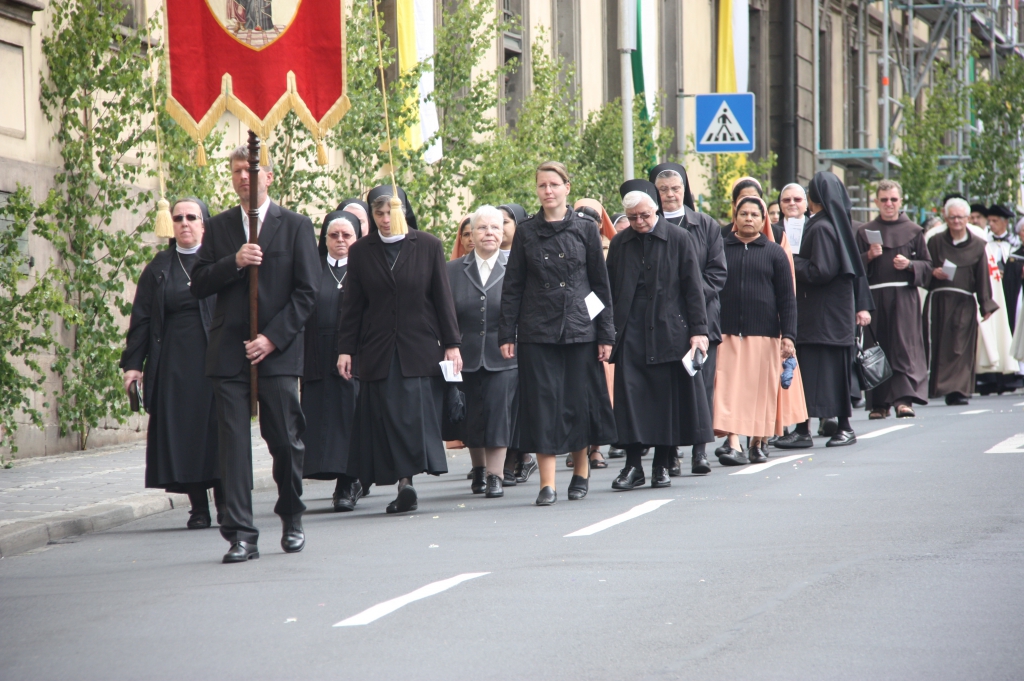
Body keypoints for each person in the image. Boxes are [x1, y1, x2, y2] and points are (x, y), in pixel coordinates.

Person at [191, 146, 320, 564]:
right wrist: (234, 261)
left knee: (285, 439)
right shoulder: (220, 226)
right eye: (237, 170)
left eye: (251, 169)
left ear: (269, 176)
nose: (244, 176)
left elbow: (307, 293)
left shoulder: (296, 226)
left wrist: (272, 338)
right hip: (228, 352)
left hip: (277, 354)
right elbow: (199, 283)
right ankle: (241, 533)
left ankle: (292, 514)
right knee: (232, 446)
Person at [337, 185, 462, 514]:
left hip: (418, 347)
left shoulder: (429, 246)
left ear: (404, 211)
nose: (384, 219)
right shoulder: (361, 251)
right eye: (377, 213)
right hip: (378, 349)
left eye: (390, 211)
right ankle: (401, 482)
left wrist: (452, 345)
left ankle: (407, 483)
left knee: (411, 418)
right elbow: (353, 306)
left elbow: (443, 299)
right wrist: (345, 349)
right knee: (386, 418)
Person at [499, 161, 617, 506]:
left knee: (577, 403)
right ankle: (546, 484)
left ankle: (581, 471)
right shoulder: (526, 230)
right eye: (541, 185)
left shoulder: (584, 228)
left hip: (580, 329)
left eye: (554, 184)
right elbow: (513, 286)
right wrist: (508, 332)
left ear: (567, 187)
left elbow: (600, 285)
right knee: (542, 405)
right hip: (537, 329)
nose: (547, 191)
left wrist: (605, 334)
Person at [121, 197, 223, 530]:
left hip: (215, 360)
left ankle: (227, 504)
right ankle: (198, 508)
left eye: (191, 217)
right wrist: (133, 365)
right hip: (173, 365)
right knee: (183, 435)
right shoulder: (159, 268)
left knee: (218, 433)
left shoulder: (221, 262)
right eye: (177, 218)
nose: (183, 223)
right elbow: (142, 319)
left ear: (204, 223)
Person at [605, 184, 711, 488]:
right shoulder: (621, 243)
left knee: (666, 403)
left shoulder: (678, 238)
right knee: (630, 403)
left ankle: (662, 465)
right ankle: (633, 466)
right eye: (633, 217)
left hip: (669, 331)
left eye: (645, 216)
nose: (639, 222)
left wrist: (699, 332)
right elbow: (610, 290)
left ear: (656, 210)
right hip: (630, 332)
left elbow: (694, 289)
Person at [775, 172, 865, 448]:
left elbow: (821, 270)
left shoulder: (822, 227)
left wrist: (790, 261)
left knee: (829, 375)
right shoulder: (832, 224)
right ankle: (804, 430)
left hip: (824, 317)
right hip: (826, 317)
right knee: (813, 374)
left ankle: (842, 428)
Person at [648, 162, 726, 476]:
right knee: (668, 390)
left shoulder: (705, 224)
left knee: (700, 387)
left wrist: (687, 296)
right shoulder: (648, 225)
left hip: (701, 319)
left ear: (685, 190)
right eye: (663, 189)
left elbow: (717, 274)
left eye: (675, 189)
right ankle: (671, 454)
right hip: (662, 322)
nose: (670, 194)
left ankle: (699, 452)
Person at [713, 196, 799, 465]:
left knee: (760, 391)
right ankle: (733, 443)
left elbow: (787, 298)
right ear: (734, 218)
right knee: (728, 390)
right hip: (725, 333)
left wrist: (789, 336)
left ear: (764, 220)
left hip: (765, 334)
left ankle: (757, 443)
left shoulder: (774, 252)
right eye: (743, 214)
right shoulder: (720, 249)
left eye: (754, 215)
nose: (749, 219)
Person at [446, 206, 519, 498]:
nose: (489, 233)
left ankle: (496, 475)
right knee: (471, 414)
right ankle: (478, 469)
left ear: (503, 233)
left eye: (495, 228)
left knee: (499, 413)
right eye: (482, 228)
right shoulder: (452, 269)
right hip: (464, 354)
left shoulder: (516, 265)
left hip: (506, 354)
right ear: (471, 234)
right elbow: (444, 312)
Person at [301, 211, 362, 512]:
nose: (340, 241)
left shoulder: (364, 269)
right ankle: (326, 473)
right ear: (324, 240)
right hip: (317, 353)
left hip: (353, 357)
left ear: (358, 238)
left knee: (348, 421)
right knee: (319, 421)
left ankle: (348, 484)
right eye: (333, 236)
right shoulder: (312, 270)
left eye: (346, 235)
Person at [855, 180, 931, 419]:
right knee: (878, 349)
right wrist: (868, 255)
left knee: (904, 348)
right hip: (875, 297)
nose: (889, 204)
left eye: (893, 199)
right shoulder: (864, 231)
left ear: (900, 201)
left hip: (904, 297)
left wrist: (910, 265)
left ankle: (903, 400)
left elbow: (928, 266)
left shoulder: (914, 231)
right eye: (884, 199)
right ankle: (879, 403)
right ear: (876, 202)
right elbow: (853, 268)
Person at [924, 198, 998, 405]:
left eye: (960, 217)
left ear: (967, 219)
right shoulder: (936, 242)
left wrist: (986, 304)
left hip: (964, 302)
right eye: (952, 217)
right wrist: (932, 272)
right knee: (939, 344)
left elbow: (982, 275)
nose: (956, 221)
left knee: (960, 347)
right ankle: (939, 386)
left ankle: (959, 390)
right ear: (946, 218)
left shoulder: (977, 245)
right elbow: (925, 268)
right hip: (939, 300)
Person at [496, 202, 537, 484]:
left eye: (505, 222)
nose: (497, 229)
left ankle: (519, 454)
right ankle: (507, 457)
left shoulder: (529, 252)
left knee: (524, 397)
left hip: (531, 332)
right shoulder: (484, 257)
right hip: (499, 336)